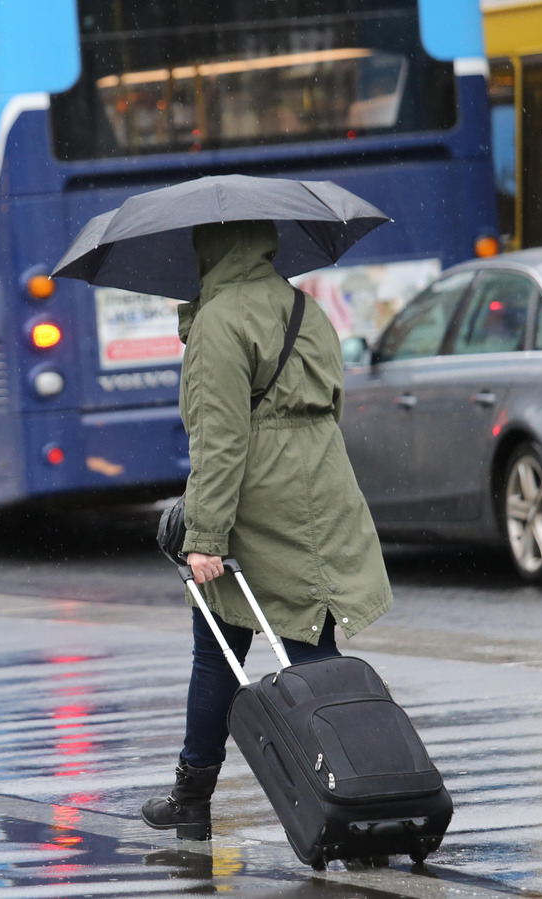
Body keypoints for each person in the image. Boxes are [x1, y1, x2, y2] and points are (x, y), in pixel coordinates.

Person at [141, 220, 392, 839]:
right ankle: (351, 790)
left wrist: (205, 537)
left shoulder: (217, 324)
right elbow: (332, 404)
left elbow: (221, 442)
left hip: (257, 504)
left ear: (211, 248)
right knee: (311, 647)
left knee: (232, 657)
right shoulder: (308, 310)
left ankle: (344, 795)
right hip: (326, 490)